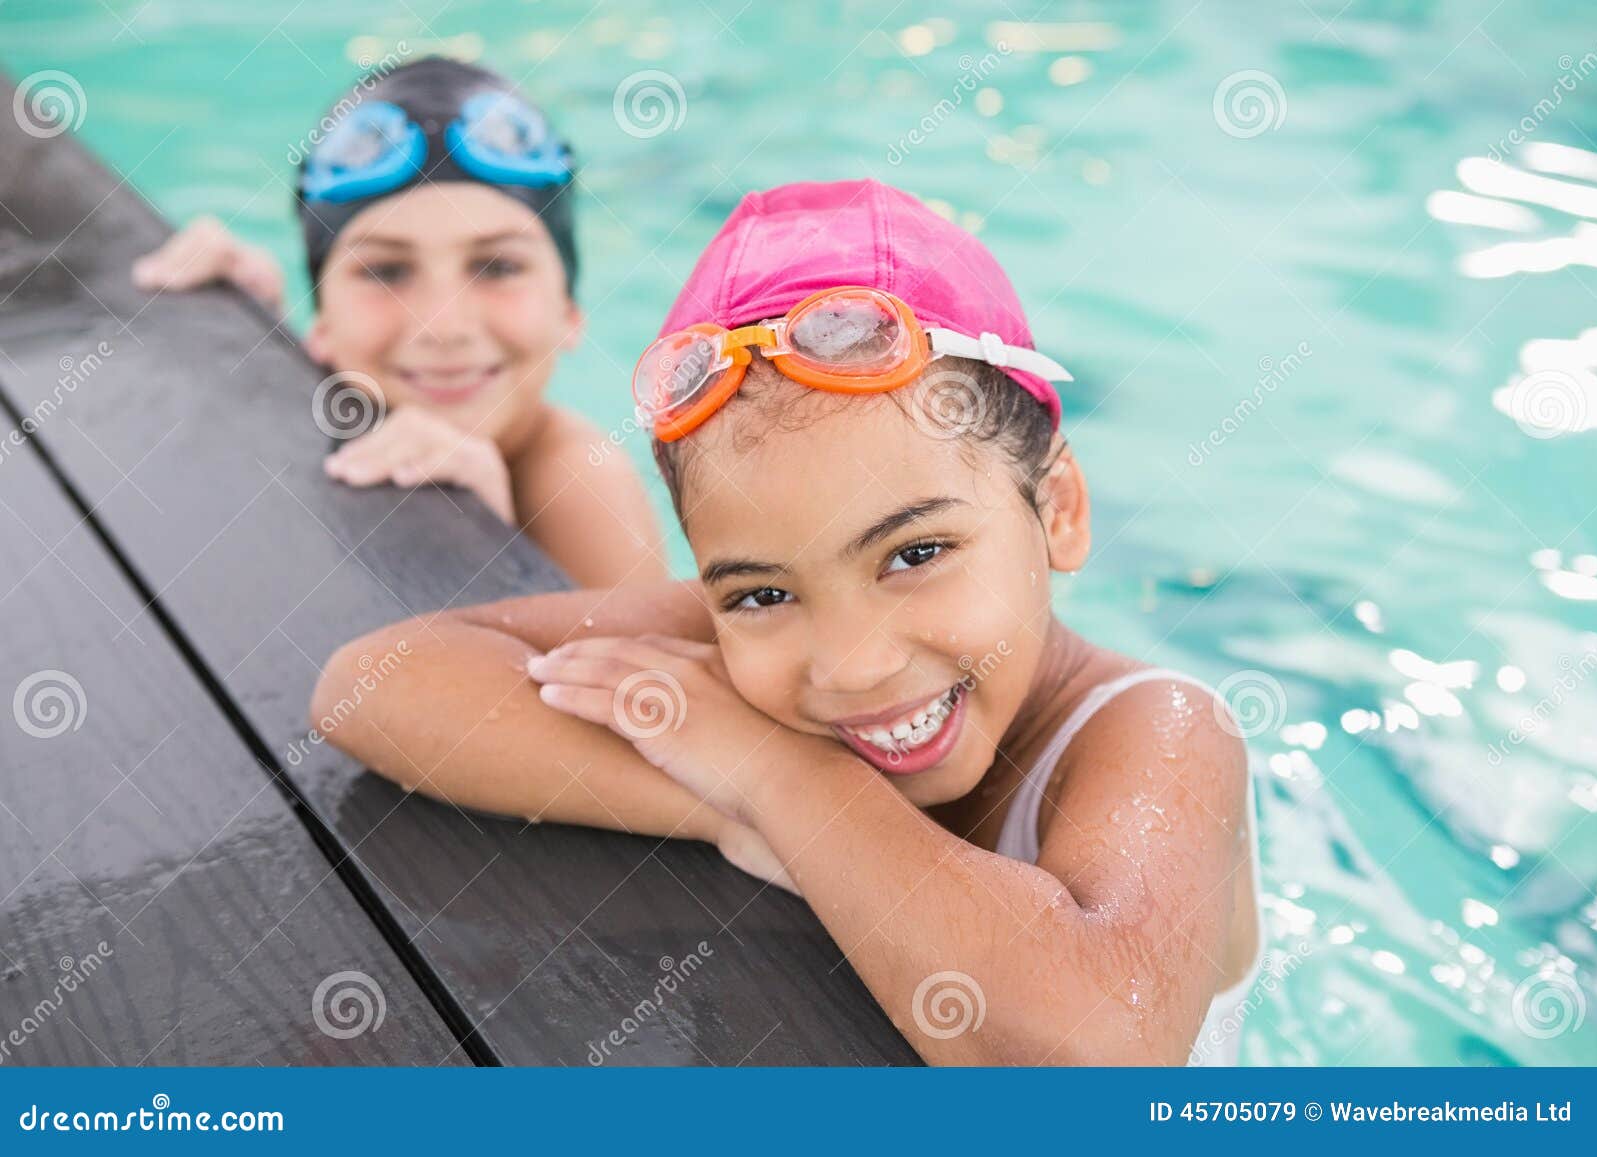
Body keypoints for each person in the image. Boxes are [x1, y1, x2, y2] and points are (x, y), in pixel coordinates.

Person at [312, 179, 1265, 1065]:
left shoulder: (1163, 731)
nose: (851, 663)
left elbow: (1095, 1057)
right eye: (759, 593)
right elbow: (375, 683)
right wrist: (747, 797)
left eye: (916, 553)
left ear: (1056, 509)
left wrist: (779, 777)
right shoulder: (752, 631)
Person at [132, 56, 664, 587]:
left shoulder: (582, 483)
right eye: (386, 272)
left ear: (567, 311)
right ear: (322, 324)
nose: (443, 326)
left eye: (498, 267)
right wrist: (248, 327)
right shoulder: (341, 402)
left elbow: (643, 671)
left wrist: (483, 545)